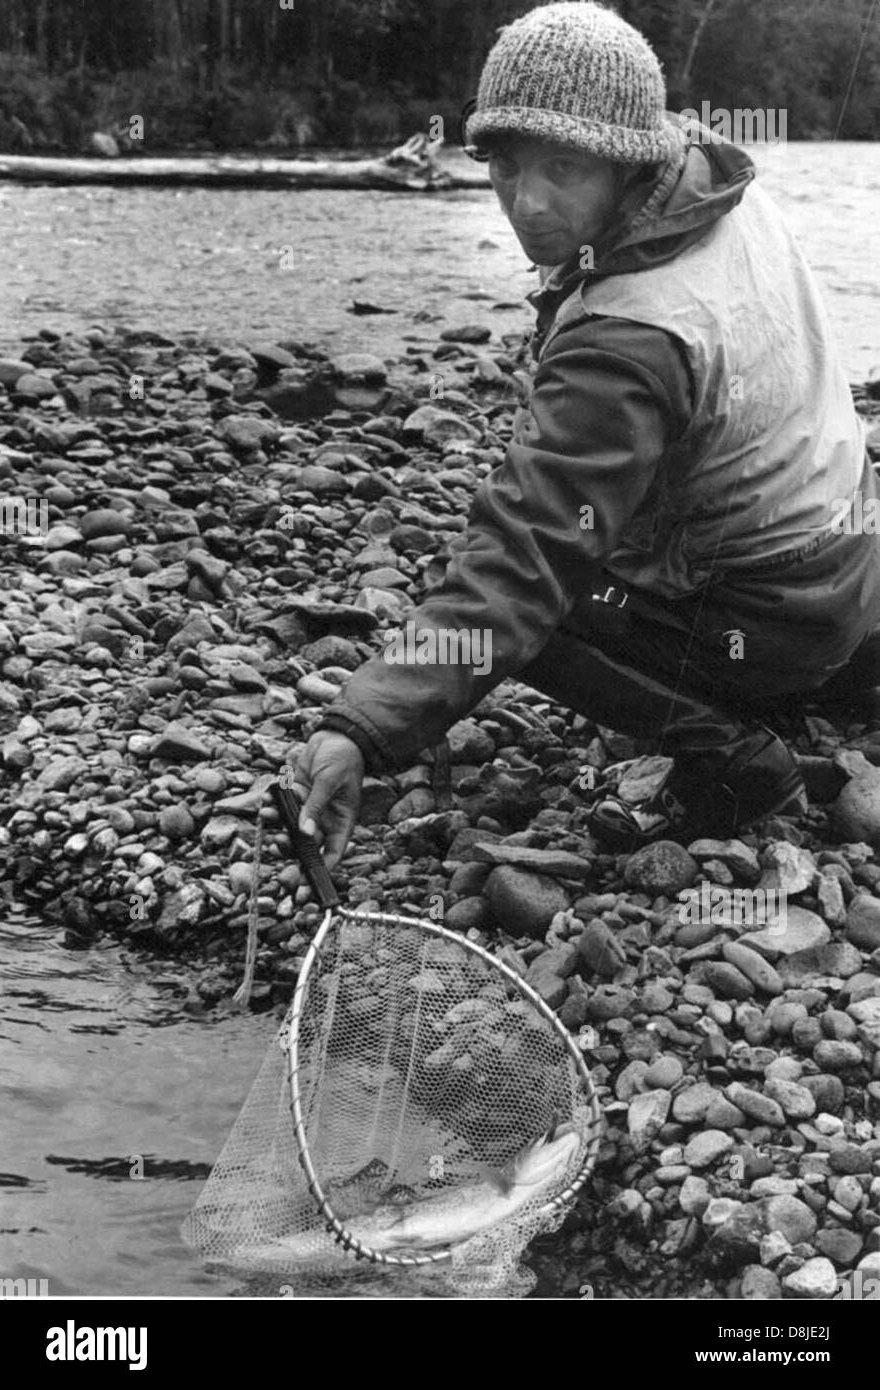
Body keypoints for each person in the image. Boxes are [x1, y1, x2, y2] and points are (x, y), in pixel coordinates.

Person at [291, 0, 880, 868]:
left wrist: (363, 725)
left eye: (562, 166)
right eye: (504, 165)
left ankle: (733, 756)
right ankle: (849, 674)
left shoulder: (628, 337)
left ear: (625, 158)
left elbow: (526, 560)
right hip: (852, 557)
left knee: (534, 599)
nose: (526, 204)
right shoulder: (709, 179)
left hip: (776, 613)